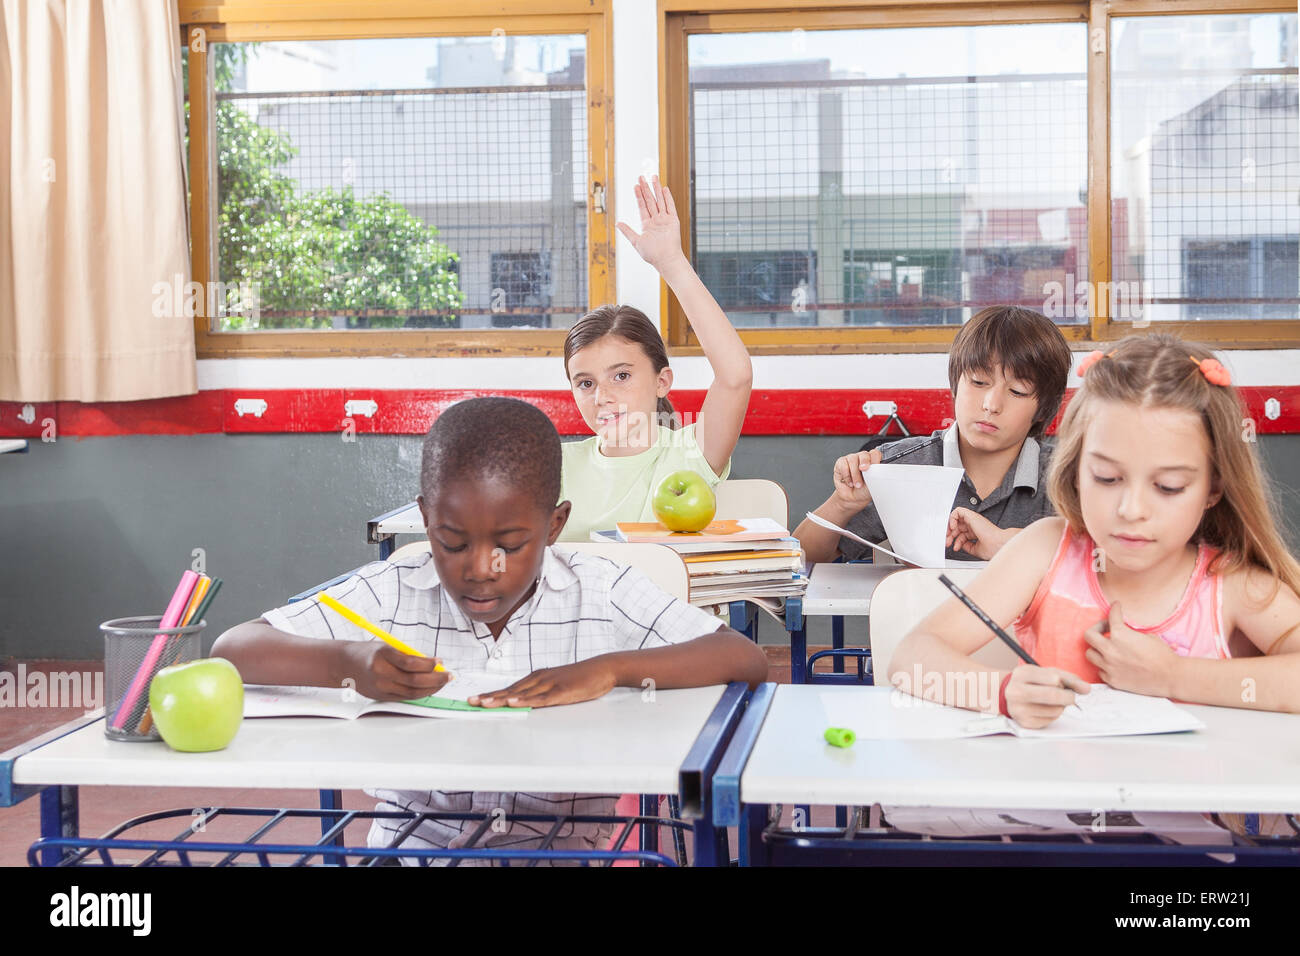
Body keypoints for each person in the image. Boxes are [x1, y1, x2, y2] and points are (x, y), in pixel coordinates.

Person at [213, 396, 769, 863]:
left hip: (562, 854)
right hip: (413, 850)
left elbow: (742, 657)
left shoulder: (600, 589)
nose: (481, 568)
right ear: (426, 519)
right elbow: (234, 648)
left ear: (554, 525)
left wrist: (611, 670)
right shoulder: (394, 586)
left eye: (509, 544)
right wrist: (348, 664)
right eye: (452, 543)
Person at [889, 333, 1300, 727]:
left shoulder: (1231, 585)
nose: (1131, 510)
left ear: (1213, 489)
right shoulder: (1044, 551)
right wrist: (1001, 691)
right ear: (1075, 471)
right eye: (1106, 477)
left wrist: (1173, 676)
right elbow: (911, 659)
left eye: (1169, 487)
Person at [794, 305, 1072, 563]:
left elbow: (1101, 563)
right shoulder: (903, 466)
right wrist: (843, 504)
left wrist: (1010, 544)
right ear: (955, 383)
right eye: (978, 382)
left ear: (1042, 408)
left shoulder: (1067, 476)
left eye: (1017, 391)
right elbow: (802, 557)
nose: (991, 404)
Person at [559, 175, 752, 542]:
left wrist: (671, 263)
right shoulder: (556, 465)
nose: (602, 397)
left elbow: (735, 376)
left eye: (621, 376)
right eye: (585, 383)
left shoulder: (688, 454)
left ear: (662, 380)